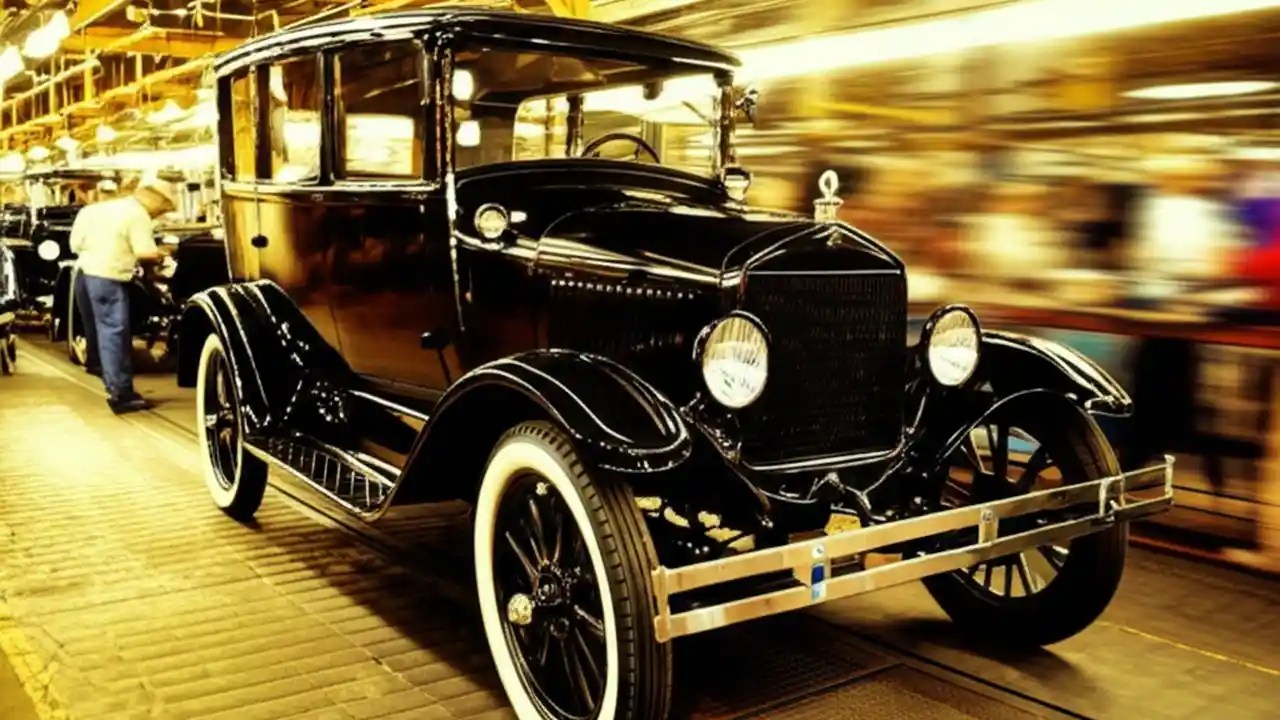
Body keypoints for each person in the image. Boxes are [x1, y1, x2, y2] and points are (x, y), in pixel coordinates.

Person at [70, 181, 176, 414]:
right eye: (161, 209)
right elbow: (144, 253)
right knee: (115, 333)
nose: (158, 215)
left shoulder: (94, 210)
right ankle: (122, 395)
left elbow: (74, 244)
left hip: (84, 274)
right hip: (109, 277)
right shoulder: (137, 215)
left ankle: (108, 378)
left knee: (100, 331)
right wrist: (163, 254)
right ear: (153, 200)